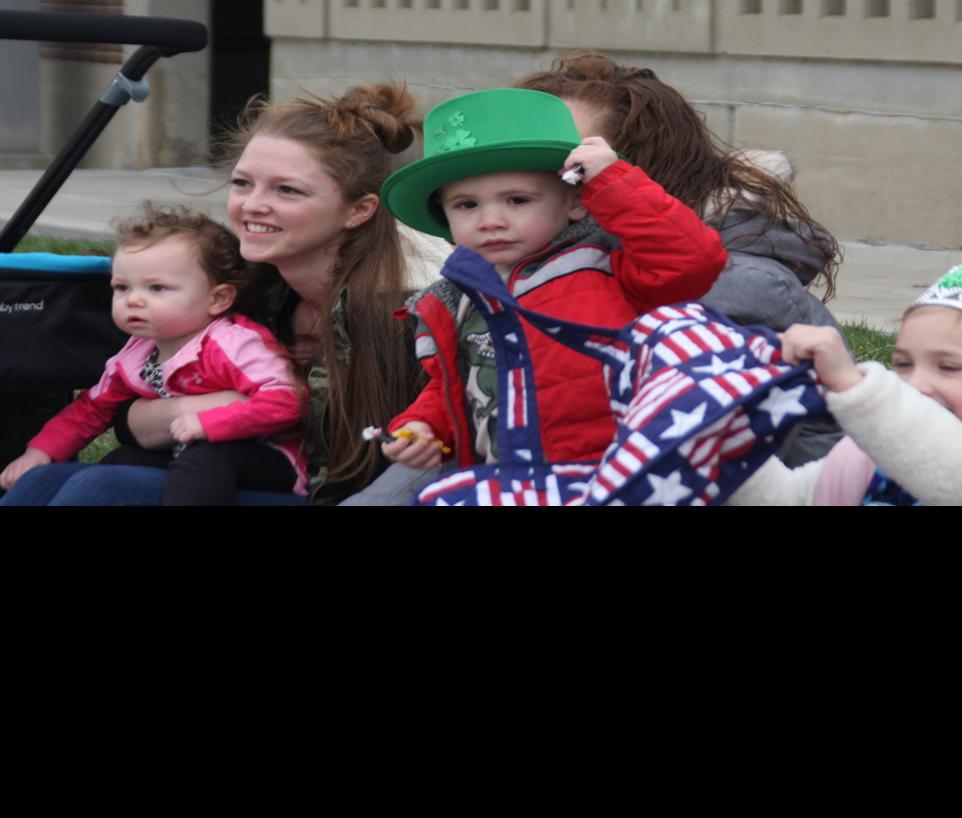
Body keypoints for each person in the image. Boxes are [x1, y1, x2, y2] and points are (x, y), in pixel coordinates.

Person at [0, 84, 427, 506]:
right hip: (219, 465)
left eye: (287, 190)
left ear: (360, 210)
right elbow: (131, 418)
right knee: (45, 482)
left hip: (345, 497)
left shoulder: (410, 309)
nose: (252, 205)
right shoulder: (241, 286)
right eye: (243, 183)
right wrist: (210, 408)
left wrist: (202, 414)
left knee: (105, 488)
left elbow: (438, 457)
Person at [515, 52, 845, 466]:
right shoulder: (537, 265)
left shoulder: (729, 286)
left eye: (566, 167)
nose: (524, 183)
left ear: (640, 173)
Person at [375, 88, 725, 472]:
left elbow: (693, 261)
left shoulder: (607, 266)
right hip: (504, 486)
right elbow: (459, 385)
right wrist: (423, 426)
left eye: (517, 200)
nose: (490, 220)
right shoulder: (455, 298)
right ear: (443, 213)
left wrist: (613, 183)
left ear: (575, 202)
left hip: (611, 481)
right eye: (467, 205)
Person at [728, 224, 962, 506]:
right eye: (902, 363)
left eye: (949, 367)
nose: (914, 385)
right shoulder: (881, 446)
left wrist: (853, 386)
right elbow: (789, 498)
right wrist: (720, 435)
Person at [1, 204, 305, 504]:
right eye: (121, 287)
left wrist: (210, 422)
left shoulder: (233, 343)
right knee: (118, 462)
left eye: (157, 288)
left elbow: (287, 399)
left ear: (218, 299)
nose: (133, 300)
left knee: (205, 458)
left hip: (269, 457)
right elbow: (91, 410)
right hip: (187, 448)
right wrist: (40, 452)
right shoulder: (136, 353)